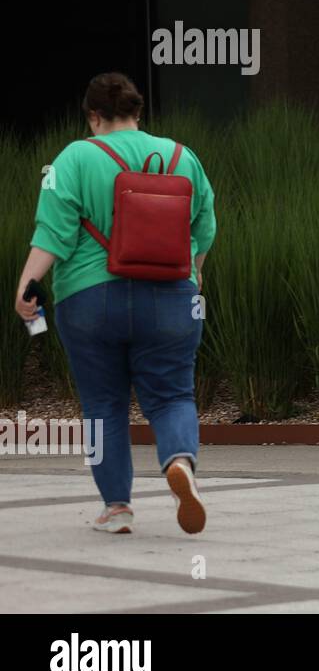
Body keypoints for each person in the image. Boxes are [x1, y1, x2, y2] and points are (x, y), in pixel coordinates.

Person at [13, 72, 217, 535]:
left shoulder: (75, 157)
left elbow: (54, 233)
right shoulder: (183, 157)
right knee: (172, 395)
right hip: (172, 298)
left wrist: (27, 285)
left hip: (90, 300)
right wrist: (195, 271)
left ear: (93, 116)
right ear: (138, 113)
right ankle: (180, 463)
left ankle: (117, 508)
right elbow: (204, 229)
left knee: (102, 404)